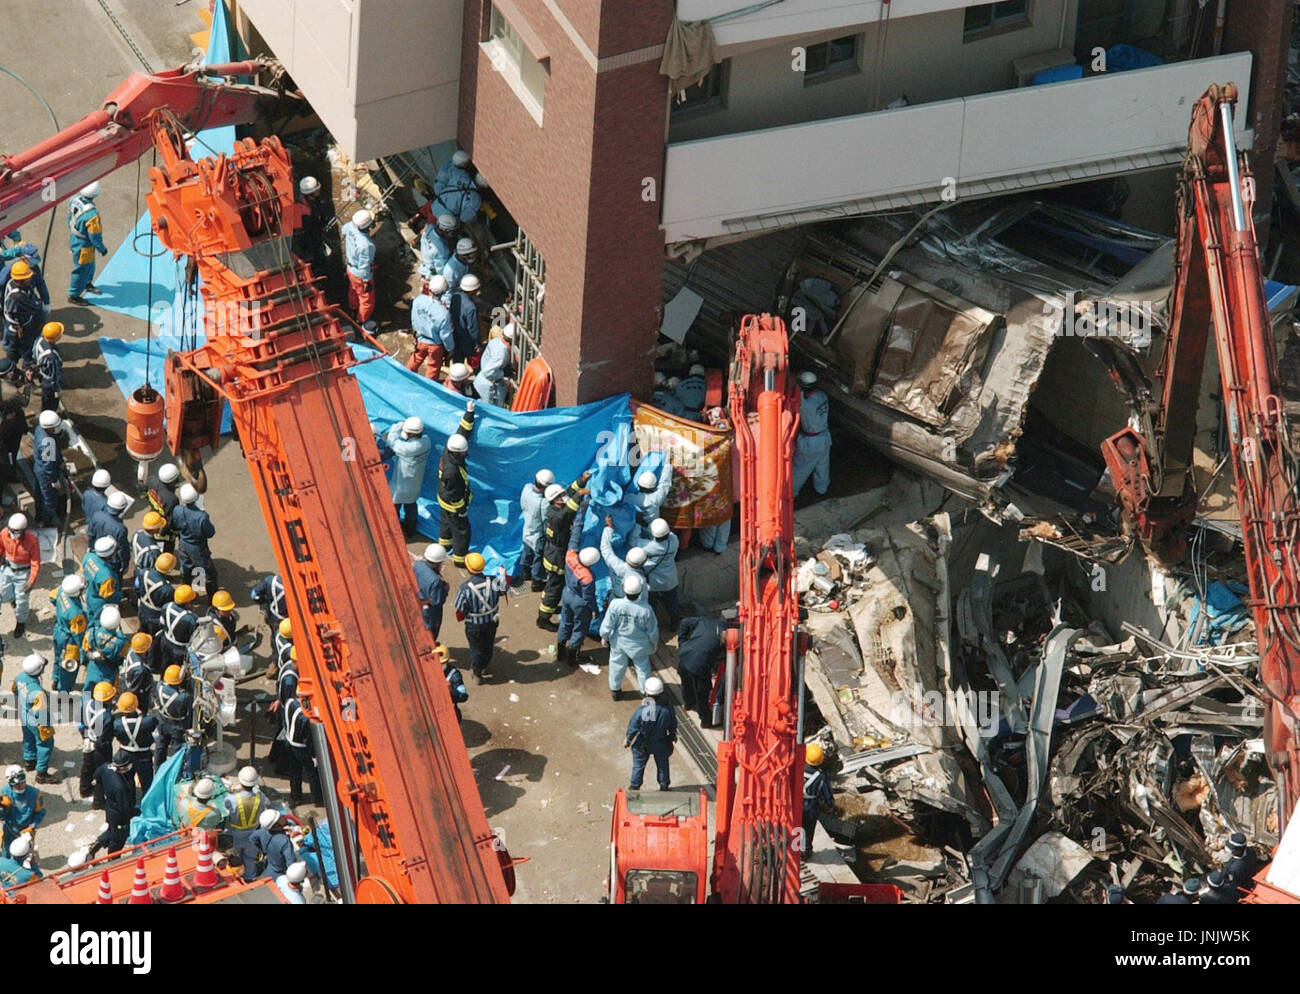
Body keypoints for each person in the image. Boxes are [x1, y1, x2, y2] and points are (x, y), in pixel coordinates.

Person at [537, 475, 590, 627]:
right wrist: (580, 496)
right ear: (555, 500)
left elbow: (569, 492)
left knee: (551, 586)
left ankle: (548, 606)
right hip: (556, 559)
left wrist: (582, 480)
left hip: (551, 554)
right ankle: (543, 618)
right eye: (560, 496)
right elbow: (568, 511)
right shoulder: (557, 517)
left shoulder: (554, 508)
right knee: (555, 588)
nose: (564, 496)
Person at [601, 574, 659, 700]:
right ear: (640, 592)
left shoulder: (615, 604)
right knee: (643, 669)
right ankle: (645, 692)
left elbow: (608, 624)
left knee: (616, 665)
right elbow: (652, 631)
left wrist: (604, 637)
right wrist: (654, 643)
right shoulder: (646, 610)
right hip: (639, 645)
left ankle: (615, 690)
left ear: (624, 589)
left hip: (619, 642)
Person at [454, 553, 509, 683]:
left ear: (468, 568)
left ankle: (477, 671)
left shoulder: (464, 589)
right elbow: (504, 590)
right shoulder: (493, 581)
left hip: (474, 625)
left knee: (476, 649)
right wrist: (502, 575)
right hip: (491, 622)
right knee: (488, 645)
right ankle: (484, 665)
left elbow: (460, 612)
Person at [436, 400, 476, 565]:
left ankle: (444, 546)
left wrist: (469, 413)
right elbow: (454, 494)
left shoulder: (450, 449)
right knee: (462, 530)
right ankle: (459, 558)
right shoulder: (451, 471)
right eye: (464, 453)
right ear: (458, 454)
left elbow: (462, 433)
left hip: (443, 499)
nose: (466, 454)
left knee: (446, 523)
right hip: (453, 504)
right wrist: (461, 509)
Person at [383, 416, 432, 538]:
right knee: (411, 505)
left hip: (400, 484)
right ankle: (411, 530)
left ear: (408, 433)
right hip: (415, 483)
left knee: (394, 507)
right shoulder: (426, 441)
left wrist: (399, 425)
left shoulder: (407, 448)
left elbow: (391, 441)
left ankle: (393, 531)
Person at [624, 676, 677, 791]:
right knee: (663, 765)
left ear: (647, 693)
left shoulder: (642, 711)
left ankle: (634, 786)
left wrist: (628, 740)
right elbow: (673, 724)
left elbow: (634, 726)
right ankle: (664, 786)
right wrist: (672, 737)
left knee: (638, 765)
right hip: (661, 741)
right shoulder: (668, 709)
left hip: (643, 742)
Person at [557, 531, 600, 666]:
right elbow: (589, 597)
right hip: (579, 603)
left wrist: (580, 515)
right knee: (579, 629)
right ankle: (572, 657)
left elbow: (574, 539)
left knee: (565, 622)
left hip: (567, 594)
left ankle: (560, 651)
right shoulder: (587, 577)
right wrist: (595, 610)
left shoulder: (570, 556)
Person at [13, 656, 57, 783]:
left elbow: (15, 690)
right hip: (36, 720)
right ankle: (41, 773)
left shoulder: (20, 676)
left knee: (28, 737)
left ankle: (29, 761)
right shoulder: (38, 692)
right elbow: (40, 712)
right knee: (45, 744)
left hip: (24, 714)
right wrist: (45, 728)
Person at [677, 615, 726, 728]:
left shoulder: (705, 620)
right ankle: (706, 721)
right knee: (702, 694)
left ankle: (688, 704)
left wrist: (682, 642)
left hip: (684, 657)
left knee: (686, 684)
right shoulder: (725, 634)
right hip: (700, 665)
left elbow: (684, 621)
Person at [86, 752, 135, 860]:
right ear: (123, 767)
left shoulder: (105, 767)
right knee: (118, 838)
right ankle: (113, 858)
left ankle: (96, 846)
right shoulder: (120, 787)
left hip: (110, 809)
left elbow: (97, 776)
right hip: (119, 816)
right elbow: (124, 808)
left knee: (111, 831)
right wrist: (135, 812)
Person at [0, 512, 41, 638]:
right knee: (3, 594)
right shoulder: (4, 534)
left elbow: (35, 562)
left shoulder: (32, 541)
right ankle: (13, 599)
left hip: (23, 573)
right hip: (7, 569)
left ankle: (21, 622)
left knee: (22, 601)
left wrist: (31, 581)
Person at [66, 181, 108, 304]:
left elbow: (69, 217)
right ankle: (73, 295)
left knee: (90, 264)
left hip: (75, 237)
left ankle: (87, 283)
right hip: (84, 245)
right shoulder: (92, 215)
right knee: (81, 269)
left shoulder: (74, 199)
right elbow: (94, 236)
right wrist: (101, 248)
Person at [407, 275, 454, 380]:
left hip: (420, 339)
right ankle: (430, 385)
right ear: (443, 291)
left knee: (416, 358)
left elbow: (413, 320)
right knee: (433, 367)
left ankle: (407, 375)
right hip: (435, 345)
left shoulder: (418, 300)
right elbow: (445, 335)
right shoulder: (443, 313)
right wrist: (450, 348)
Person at [171, 483, 216, 592]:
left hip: (183, 544)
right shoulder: (202, 516)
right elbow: (210, 533)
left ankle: (188, 593)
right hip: (197, 547)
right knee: (207, 572)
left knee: (186, 567)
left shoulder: (177, 510)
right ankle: (208, 597)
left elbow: (175, 525)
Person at [793, 370, 832, 498]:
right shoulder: (822, 395)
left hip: (811, 442)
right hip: (824, 437)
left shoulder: (805, 405)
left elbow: (798, 399)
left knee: (800, 468)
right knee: (822, 466)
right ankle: (822, 489)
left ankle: (791, 492)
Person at [640, 518, 682, 634]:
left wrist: (640, 526)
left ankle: (653, 626)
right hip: (670, 580)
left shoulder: (648, 547)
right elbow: (668, 533)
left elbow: (635, 541)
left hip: (653, 582)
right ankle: (675, 621)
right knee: (672, 602)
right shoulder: (674, 540)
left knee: (652, 605)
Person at [110, 691, 157, 792]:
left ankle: (129, 802)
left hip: (125, 753)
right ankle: (146, 803)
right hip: (143, 754)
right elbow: (154, 723)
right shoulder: (148, 721)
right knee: (147, 781)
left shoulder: (117, 724)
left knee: (126, 781)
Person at [3, 260, 46, 369]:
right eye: (28, 277)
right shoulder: (17, 296)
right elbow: (9, 313)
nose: (30, 278)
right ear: (21, 280)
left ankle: (16, 365)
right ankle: (22, 369)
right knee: (23, 349)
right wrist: (19, 327)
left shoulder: (13, 283)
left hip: (22, 324)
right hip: (22, 328)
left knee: (18, 349)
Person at [224, 766, 266, 879]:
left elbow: (225, 807)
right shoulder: (260, 797)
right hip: (252, 835)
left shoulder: (232, 799)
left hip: (235, 835)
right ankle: (249, 878)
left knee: (233, 859)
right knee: (249, 858)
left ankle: (233, 878)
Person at [283, 693, 323, 807]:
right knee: (312, 772)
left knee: (295, 770)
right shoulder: (305, 718)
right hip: (301, 747)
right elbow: (308, 739)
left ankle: (296, 796)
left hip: (289, 740)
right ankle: (317, 798)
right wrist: (314, 756)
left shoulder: (290, 702)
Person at [516, 469, 554, 590]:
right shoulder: (543, 503)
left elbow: (523, 505)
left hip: (527, 530)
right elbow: (546, 521)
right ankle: (536, 582)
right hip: (538, 536)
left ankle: (525, 572)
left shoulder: (526, 488)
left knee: (526, 553)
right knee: (538, 558)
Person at [79, 683, 116, 805]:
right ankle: (99, 800)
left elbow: (81, 723)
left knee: (87, 767)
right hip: (100, 747)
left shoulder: (87, 704)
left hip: (87, 740)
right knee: (102, 773)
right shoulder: (107, 716)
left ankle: (84, 789)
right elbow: (106, 737)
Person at [51, 574, 88, 693]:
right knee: (69, 667)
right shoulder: (76, 613)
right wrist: (84, 654)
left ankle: (55, 680)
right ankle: (64, 693)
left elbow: (52, 598)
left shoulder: (61, 590)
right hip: (69, 641)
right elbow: (79, 635)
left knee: (58, 658)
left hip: (58, 631)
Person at [341, 208, 377, 329]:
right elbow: (364, 266)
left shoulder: (351, 226)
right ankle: (362, 320)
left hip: (350, 269)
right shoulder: (367, 245)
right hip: (360, 274)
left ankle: (352, 309)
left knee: (353, 289)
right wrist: (366, 281)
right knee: (366, 299)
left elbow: (343, 230)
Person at [154, 665, 194, 770]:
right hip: (178, 726)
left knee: (160, 746)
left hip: (162, 722)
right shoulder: (184, 696)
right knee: (177, 748)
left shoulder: (159, 686)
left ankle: (157, 769)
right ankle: (175, 770)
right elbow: (190, 712)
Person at [32, 409, 67, 526]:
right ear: (50, 428)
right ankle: (47, 520)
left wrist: (60, 460)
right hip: (45, 473)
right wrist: (54, 480)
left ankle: (39, 515)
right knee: (49, 498)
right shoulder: (48, 443)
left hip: (39, 467)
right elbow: (48, 466)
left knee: (39, 493)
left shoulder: (40, 429)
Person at [82, 604, 128, 695]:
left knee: (87, 692)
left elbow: (84, 649)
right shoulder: (121, 642)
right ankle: (103, 708)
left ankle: (85, 707)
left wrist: (84, 663)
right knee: (106, 694)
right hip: (109, 672)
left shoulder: (91, 633)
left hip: (93, 667)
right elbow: (122, 657)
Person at [0, 766, 46, 855]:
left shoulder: (35, 794)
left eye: (23, 782)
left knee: (25, 854)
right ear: (11, 783)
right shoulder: (4, 792)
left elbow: (40, 813)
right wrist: (2, 807)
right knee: (6, 853)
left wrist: (32, 827)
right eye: (17, 785)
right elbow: (1, 817)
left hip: (26, 830)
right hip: (9, 828)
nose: (21, 786)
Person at [599, 519, 649, 594]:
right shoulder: (641, 581)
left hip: (615, 596)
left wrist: (608, 528)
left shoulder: (617, 566)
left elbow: (605, 548)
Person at [88, 491, 131, 575]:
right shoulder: (120, 529)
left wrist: (90, 547)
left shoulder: (96, 516)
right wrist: (124, 565)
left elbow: (90, 534)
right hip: (112, 560)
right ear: (122, 509)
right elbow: (123, 550)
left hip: (97, 552)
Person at [802, 743, 835, 853]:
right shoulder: (820, 777)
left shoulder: (798, 768)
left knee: (795, 826)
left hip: (796, 804)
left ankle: (793, 847)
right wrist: (830, 805)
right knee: (808, 829)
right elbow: (827, 794)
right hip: (810, 807)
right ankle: (806, 850)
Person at [138, 551, 177, 641]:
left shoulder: (144, 573)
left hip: (142, 610)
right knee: (153, 639)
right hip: (155, 617)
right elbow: (167, 607)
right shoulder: (167, 589)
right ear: (169, 570)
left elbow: (137, 589)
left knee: (142, 632)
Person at [160, 584, 199, 672]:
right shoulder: (191, 619)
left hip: (165, 642)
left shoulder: (166, 606)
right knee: (178, 672)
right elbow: (194, 638)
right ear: (188, 602)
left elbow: (162, 622)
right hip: (179, 651)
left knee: (165, 666)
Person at [82, 535, 122, 622]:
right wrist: (119, 597)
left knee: (91, 618)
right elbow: (108, 596)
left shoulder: (88, 557)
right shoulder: (106, 576)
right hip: (100, 604)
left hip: (90, 596)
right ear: (110, 554)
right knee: (100, 622)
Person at [248, 809, 295, 882]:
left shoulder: (262, 831)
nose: (282, 817)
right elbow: (291, 863)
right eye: (280, 818)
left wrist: (262, 851)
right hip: (280, 873)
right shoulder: (284, 841)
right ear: (275, 825)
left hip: (269, 869)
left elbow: (251, 839)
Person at [414, 543, 449, 640]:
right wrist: (445, 590)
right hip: (430, 614)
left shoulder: (418, 565)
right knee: (430, 636)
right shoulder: (435, 581)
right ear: (438, 563)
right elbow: (436, 602)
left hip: (418, 604)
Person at [474, 323, 514, 406]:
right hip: (489, 387)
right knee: (490, 412)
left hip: (482, 381)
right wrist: (504, 373)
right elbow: (488, 372)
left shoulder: (496, 341)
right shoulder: (501, 353)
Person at [629, 465, 673, 538]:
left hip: (633, 528)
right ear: (653, 486)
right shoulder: (656, 498)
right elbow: (665, 484)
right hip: (652, 529)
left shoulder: (629, 498)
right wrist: (668, 466)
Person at [130, 511, 166, 599]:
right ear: (154, 529)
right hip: (146, 574)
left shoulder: (137, 534)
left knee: (137, 588)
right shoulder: (153, 550)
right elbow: (153, 568)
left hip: (137, 569)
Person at [146, 462, 181, 552]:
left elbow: (143, 491)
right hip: (163, 528)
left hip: (151, 519)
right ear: (173, 481)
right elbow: (170, 521)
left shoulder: (151, 480)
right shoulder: (171, 499)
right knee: (166, 551)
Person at [31, 321, 63, 412]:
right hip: (49, 384)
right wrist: (57, 390)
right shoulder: (52, 357)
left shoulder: (39, 339)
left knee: (46, 396)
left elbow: (33, 354)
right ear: (56, 337)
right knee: (50, 403)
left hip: (42, 372)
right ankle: (48, 416)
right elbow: (54, 375)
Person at [119, 633, 155, 712]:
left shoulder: (132, 649)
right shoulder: (140, 670)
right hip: (139, 693)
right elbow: (134, 689)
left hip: (128, 679)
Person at [449, 273, 481, 362]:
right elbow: (473, 329)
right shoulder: (471, 308)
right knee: (473, 361)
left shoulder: (455, 296)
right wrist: (478, 344)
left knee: (457, 360)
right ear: (472, 291)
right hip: (466, 340)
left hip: (455, 334)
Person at [418, 213, 457, 280]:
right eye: (451, 231)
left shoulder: (430, 227)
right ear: (446, 230)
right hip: (431, 268)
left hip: (425, 257)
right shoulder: (441, 249)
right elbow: (440, 269)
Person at [443, 657, 469, 723]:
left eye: (442, 663)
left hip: (450, 709)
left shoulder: (454, 675)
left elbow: (463, 696)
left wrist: (450, 691)